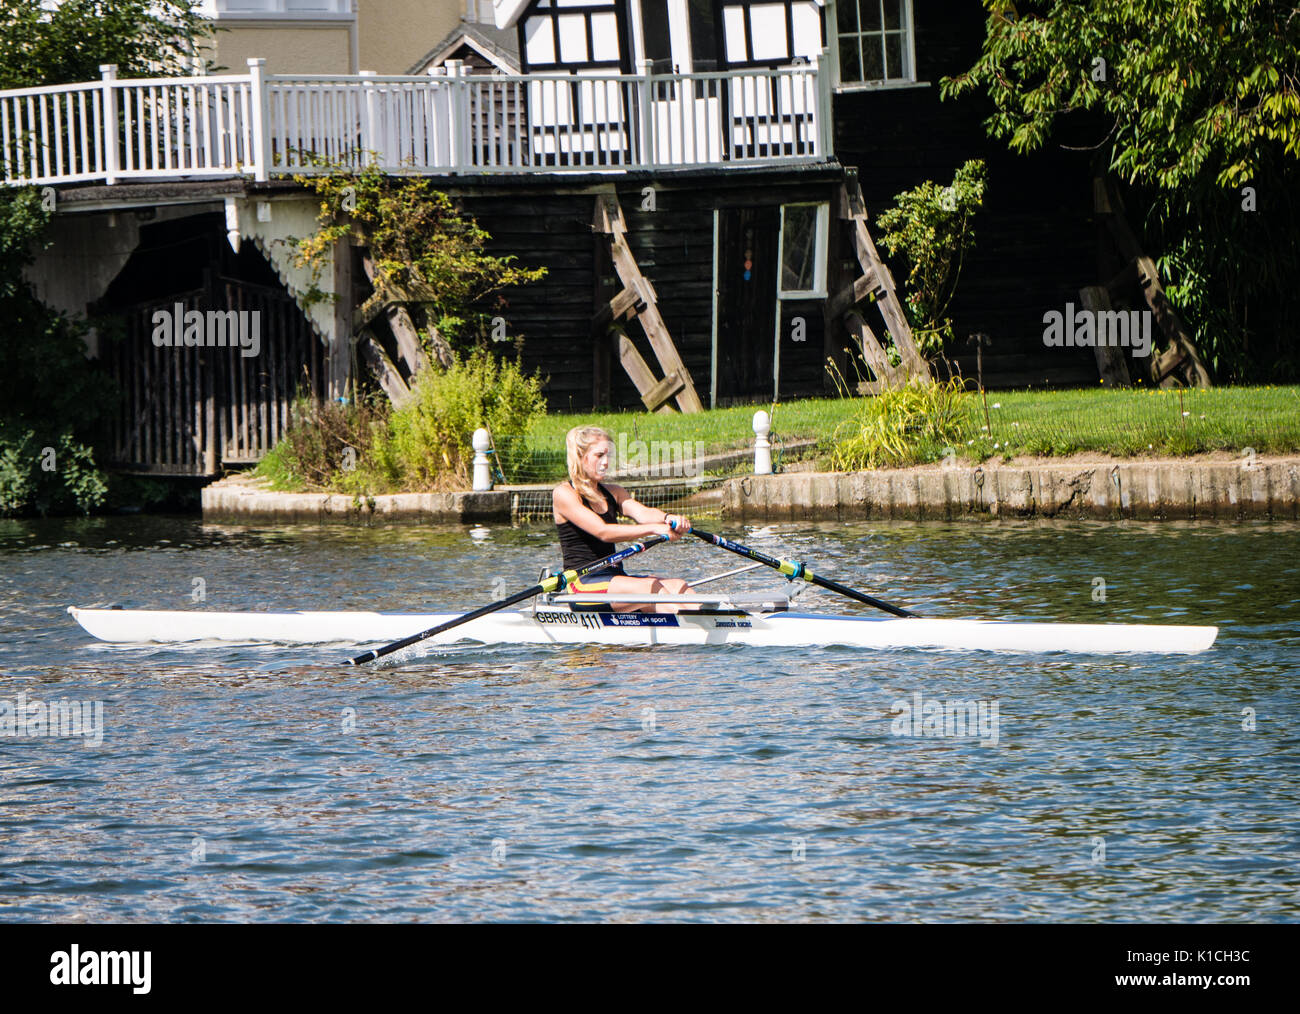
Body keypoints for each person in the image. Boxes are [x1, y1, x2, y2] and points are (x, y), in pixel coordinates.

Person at [553, 425, 694, 613]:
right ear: (581, 456)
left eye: (608, 456)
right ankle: (691, 627)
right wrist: (655, 529)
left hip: (614, 577)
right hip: (582, 584)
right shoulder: (564, 494)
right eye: (599, 455)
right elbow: (603, 532)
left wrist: (668, 518)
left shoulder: (614, 492)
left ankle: (714, 624)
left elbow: (643, 514)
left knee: (679, 585)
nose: (605, 462)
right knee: (649, 587)